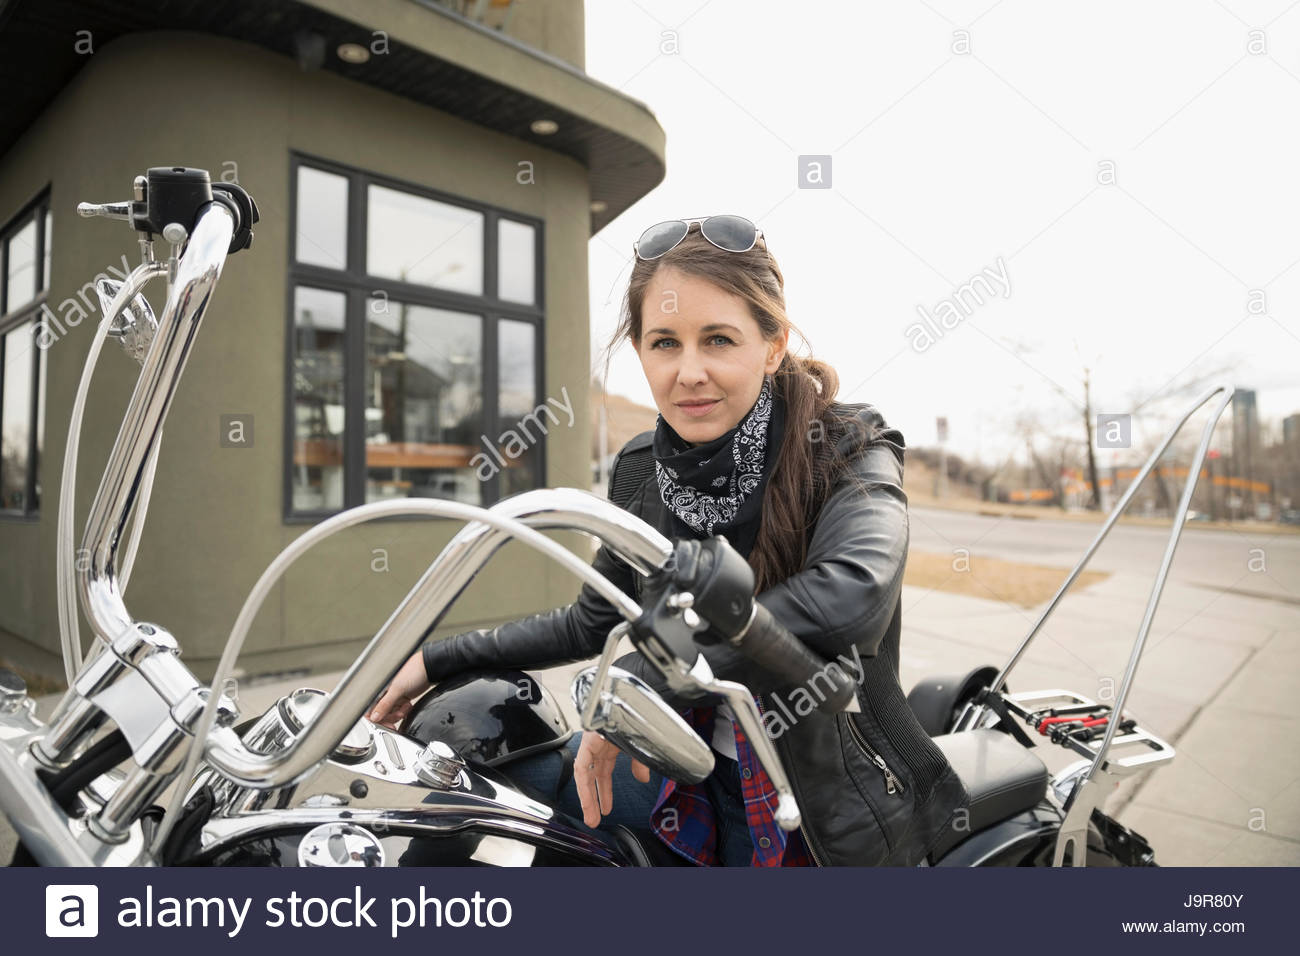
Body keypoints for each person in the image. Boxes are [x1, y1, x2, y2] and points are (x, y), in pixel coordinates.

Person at [370, 215, 969, 866]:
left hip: (814, 802)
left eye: (718, 339)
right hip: (679, 769)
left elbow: (853, 598)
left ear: (772, 346)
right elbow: (592, 621)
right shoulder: (640, 467)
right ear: (640, 352)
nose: (689, 372)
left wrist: (645, 683)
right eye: (664, 343)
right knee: (470, 794)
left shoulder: (849, 444)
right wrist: (435, 659)